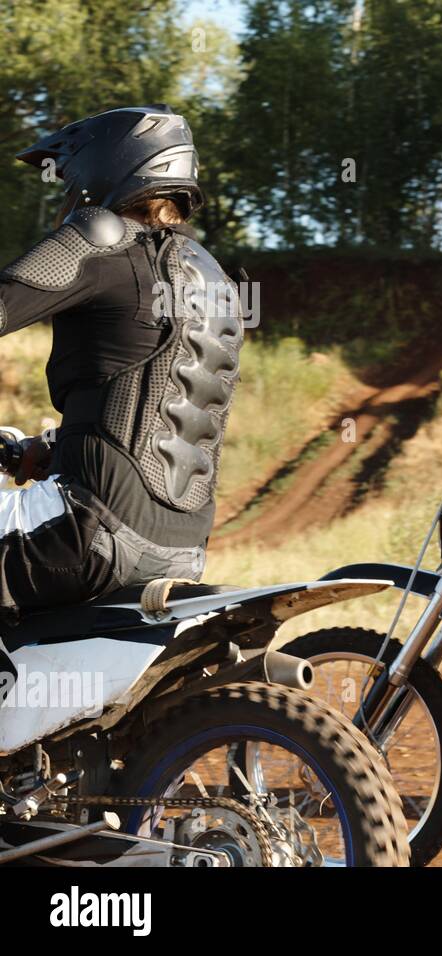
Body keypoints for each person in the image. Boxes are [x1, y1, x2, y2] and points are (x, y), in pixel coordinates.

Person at [0, 105, 243, 614]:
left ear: (104, 169)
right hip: (180, 552)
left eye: (68, 180)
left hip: (83, 535)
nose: (65, 196)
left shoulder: (99, 237)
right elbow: (166, 407)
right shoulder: (209, 277)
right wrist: (49, 447)